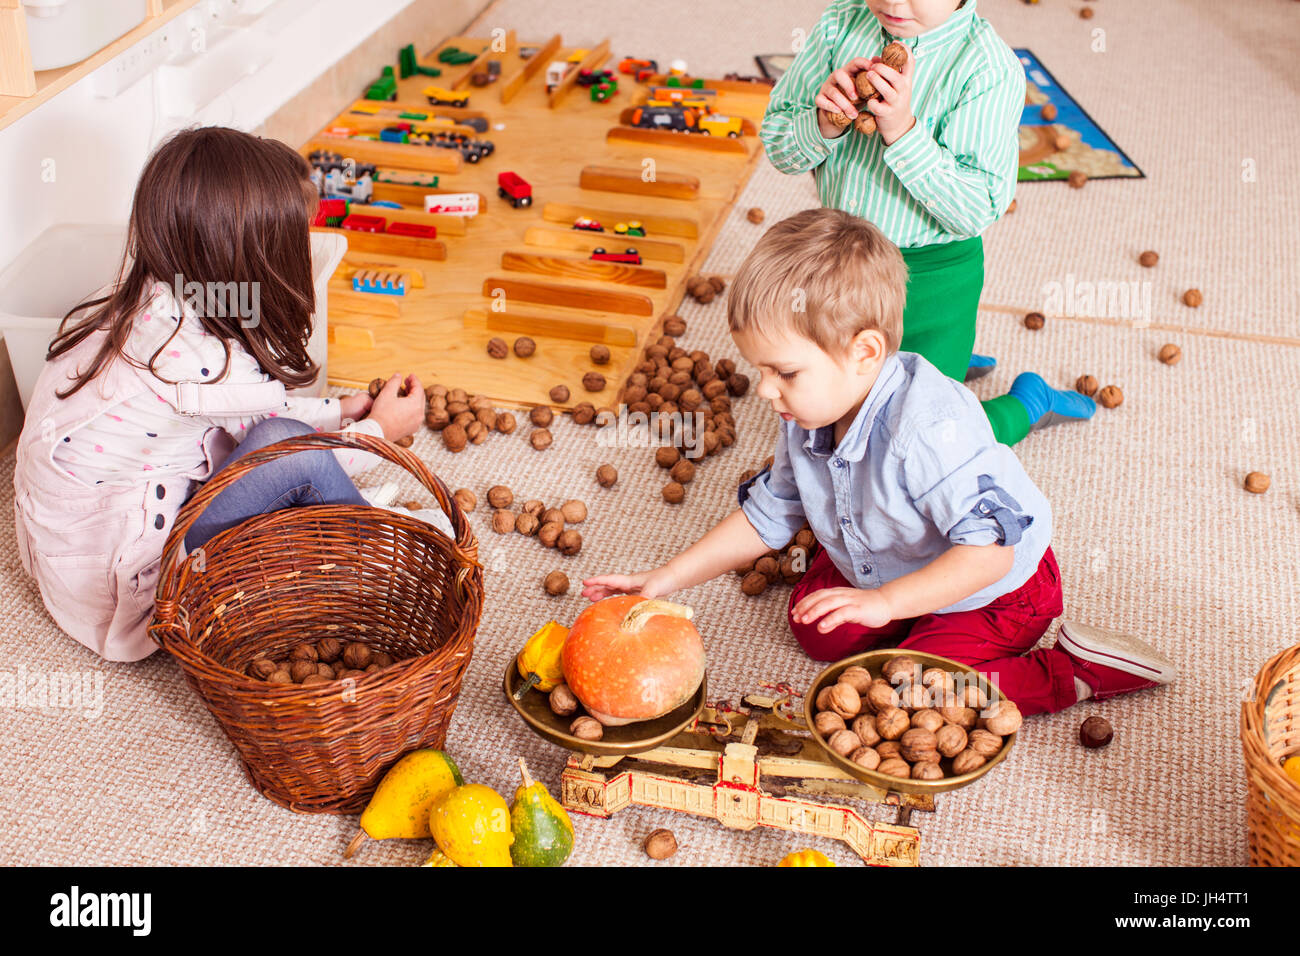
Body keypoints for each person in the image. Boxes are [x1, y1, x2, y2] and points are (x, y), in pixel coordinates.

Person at [581, 210, 1175, 715]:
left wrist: (888, 604)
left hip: (992, 588)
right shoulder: (805, 414)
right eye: (760, 370)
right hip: (900, 564)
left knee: (912, 688)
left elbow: (990, 552)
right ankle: (886, 588)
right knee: (816, 630)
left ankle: (1073, 671)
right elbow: (768, 516)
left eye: (783, 372)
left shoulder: (927, 429)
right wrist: (663, 580)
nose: (764, 391)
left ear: (865, 353)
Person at [12, 126, 440, 662]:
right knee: (287, 451)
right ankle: (375, 563)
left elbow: (256, 411)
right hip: (130, 598)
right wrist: (381, 432)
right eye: (296, 246)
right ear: (256, 264)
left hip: (76, 554)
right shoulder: (204, 365)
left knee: (273, 434)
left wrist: (339, 410)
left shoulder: (149, 298)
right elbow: (283, 446)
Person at [760, 0, 1096, 444]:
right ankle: (942, 362)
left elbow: (975, 208)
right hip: (838, 268)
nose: (895, 3)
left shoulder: (987, 68)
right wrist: (822, 123)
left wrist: (904, 131)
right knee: (826, 420)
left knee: (924, 442)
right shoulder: (839, 25)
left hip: (933, 277)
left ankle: (1026, 402)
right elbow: (780, 147)